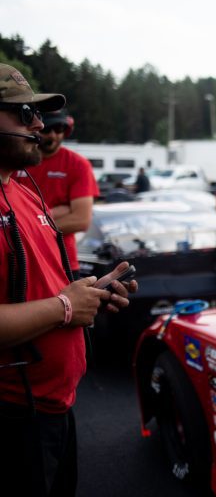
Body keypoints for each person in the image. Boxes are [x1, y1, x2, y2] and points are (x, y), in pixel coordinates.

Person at [0, 63, 137, 497]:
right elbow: (56, 302)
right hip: (13, 414)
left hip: (53, 406)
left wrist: (88, 294)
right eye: (24, 113)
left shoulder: (21, 190)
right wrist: (64, 307)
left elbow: (47, 287)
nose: (39, 124)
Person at [15, 109, 99, 279]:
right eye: (47, 129)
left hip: (63, 262)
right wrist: (54, 215)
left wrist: (26, 227)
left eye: (59, 129)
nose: (53, 135)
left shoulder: (78, 164)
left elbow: (81, 220)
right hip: (21, 261)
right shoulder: (17, 162)